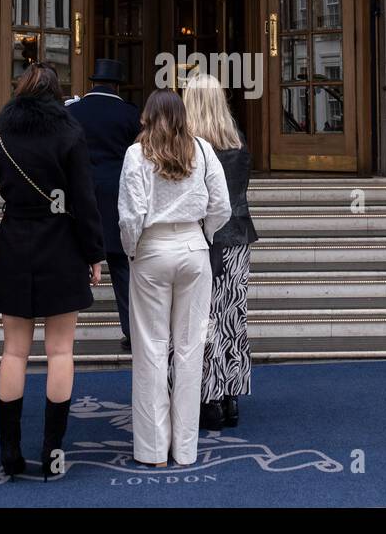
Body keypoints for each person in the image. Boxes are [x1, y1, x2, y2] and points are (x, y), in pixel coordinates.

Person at [0, 63, 106, 480]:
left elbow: (1, 180)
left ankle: (9, 453)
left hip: (15, 238)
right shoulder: (70, 132)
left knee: (13, 352)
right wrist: (95, 253)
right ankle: (52, 453)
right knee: (60, 352)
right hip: (61, 242)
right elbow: (84, 198)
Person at [119, 89, 231, 467]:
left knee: (150, 348)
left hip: (152, 247)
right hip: (192, 246)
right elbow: (222, 207)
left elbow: (130, 214)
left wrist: (133, 250)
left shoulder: (137, 153)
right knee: (189, 349)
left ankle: (152, 450)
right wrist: (204, 235)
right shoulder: (201, 149)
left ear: (147, 116)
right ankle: (185, 449)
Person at [183, 74, 258, 429]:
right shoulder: (238, 141)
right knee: (233, 319)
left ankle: (208, 399)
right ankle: (231, 399)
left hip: (204, 240)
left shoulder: (190, 146)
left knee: (203, 320)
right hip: (238, 239)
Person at [66, 59, 141, 350]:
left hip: (79, 191)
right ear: (118, 85)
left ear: (93, 82)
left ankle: (63, 332)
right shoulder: (129, 114)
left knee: (74, 262)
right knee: (122, 266)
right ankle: (132, 331)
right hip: (118, 193)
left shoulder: (73, 111)